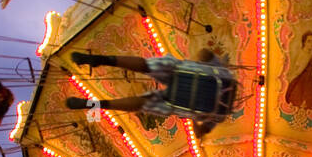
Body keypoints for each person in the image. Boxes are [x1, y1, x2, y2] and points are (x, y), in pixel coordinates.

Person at [66, 49, 236, 137]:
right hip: (177, 101)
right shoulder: (219, 116)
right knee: (144, 103)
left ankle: (105, 60)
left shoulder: (225, 73)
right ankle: (97, 104)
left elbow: (204, 53)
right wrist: (193, 119)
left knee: (148, 65)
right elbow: (200, 133)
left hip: (181, 74)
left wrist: (204, 62)